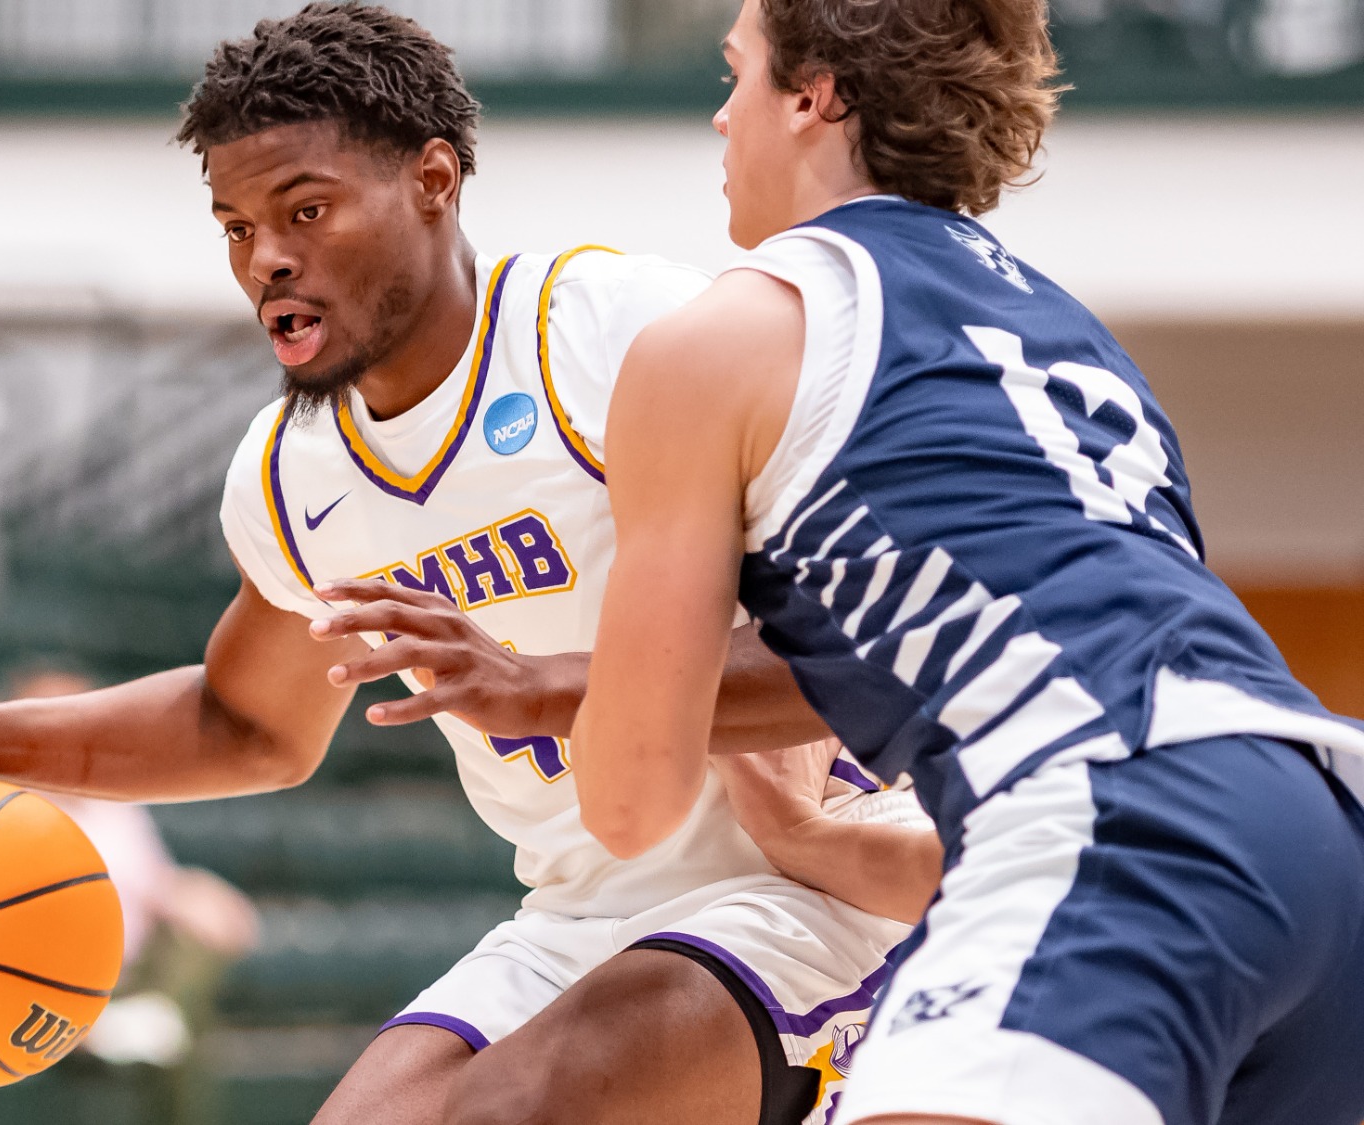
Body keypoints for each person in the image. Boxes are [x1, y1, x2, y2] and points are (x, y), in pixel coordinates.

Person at [0, 7, 941, 1124]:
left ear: (433, 182)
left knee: (514, 1107)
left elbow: (865, 637)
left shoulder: (614, 332)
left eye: (306, 209)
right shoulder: (289, 476)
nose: (268, 261)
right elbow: (243, 726)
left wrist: (547, 683)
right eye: (236, 227)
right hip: (581, 914)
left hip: (813, 888)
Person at [567, 0, 1364, 1122]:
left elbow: (627, 802)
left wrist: (595, 654)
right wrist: (809, 833)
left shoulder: (718, 337)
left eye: (733, 73)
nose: (716, 117)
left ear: (812, 94)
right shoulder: (1065, 331)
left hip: (1123, 814)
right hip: (1320, 821)